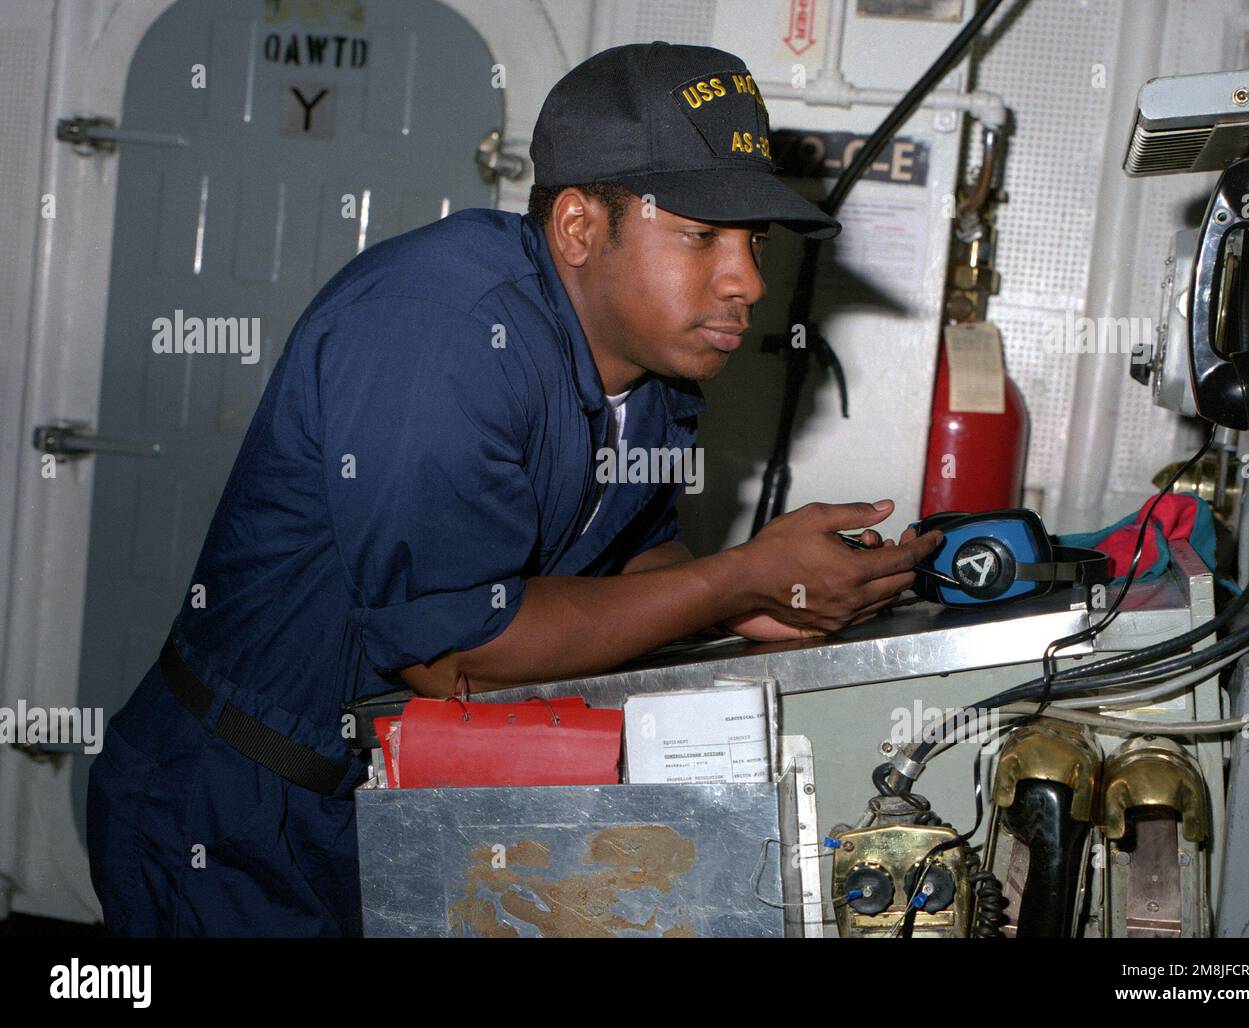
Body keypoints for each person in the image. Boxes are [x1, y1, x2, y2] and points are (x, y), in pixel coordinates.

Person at [86, 40, 943, 937]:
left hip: (392, 807)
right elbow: (452, 652)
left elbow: (634, 558)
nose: (748, 283)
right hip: (234, 813)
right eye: (700, 236)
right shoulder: (435, 330)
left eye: (754, 243)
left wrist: (759, 607)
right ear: (578, 227)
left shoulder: (657, 380)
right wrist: (735, 581)